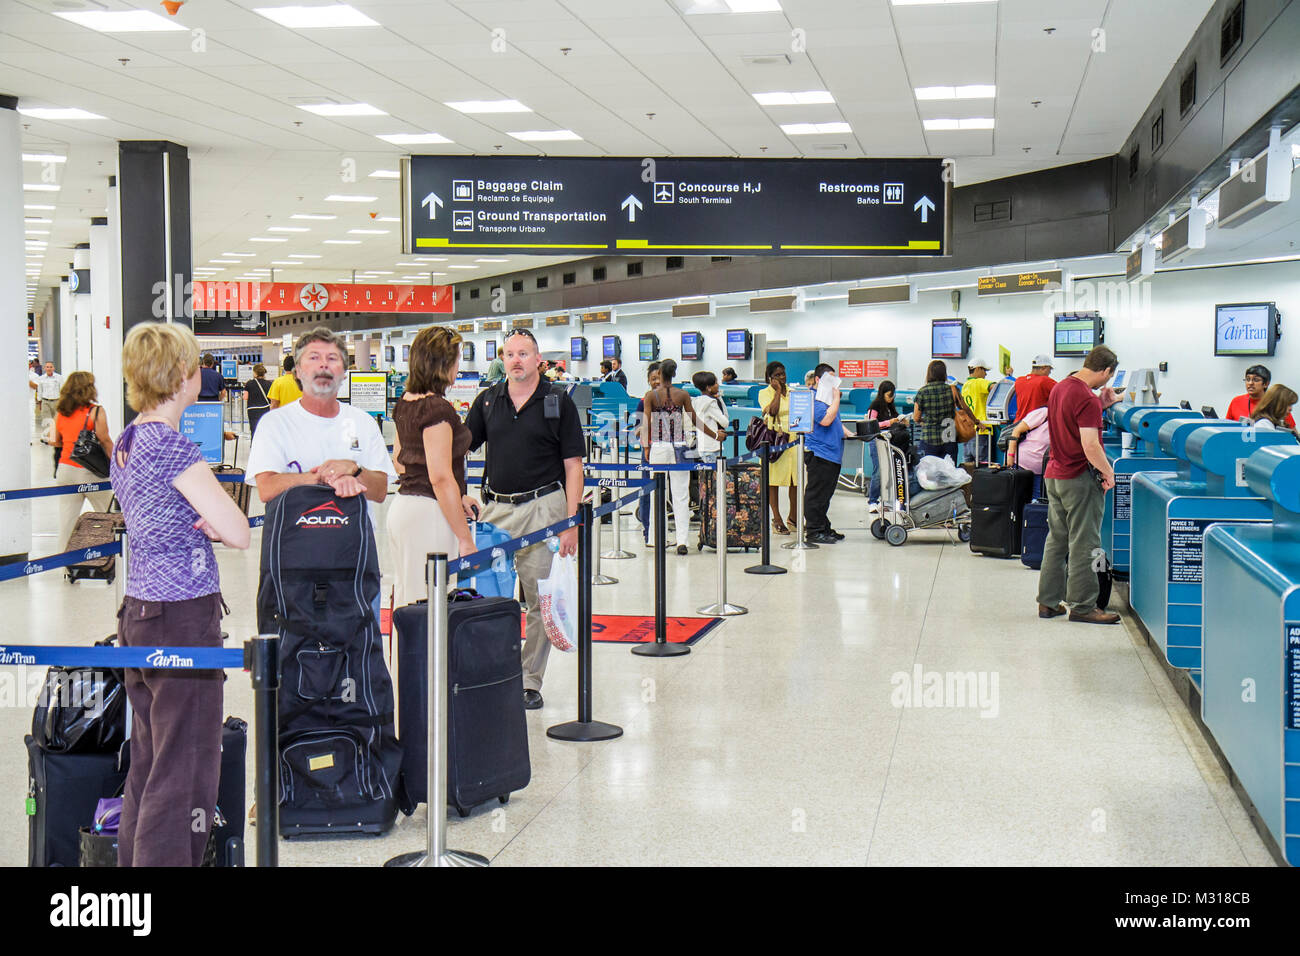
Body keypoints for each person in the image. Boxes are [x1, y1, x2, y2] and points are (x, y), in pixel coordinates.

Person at [111, 321, 251, 866]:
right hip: (181, 618)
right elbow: (237, 530)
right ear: (184, 376)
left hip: (140, 610)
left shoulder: (127, 439)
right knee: (186, 768)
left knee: (149, 763)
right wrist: (218, 522)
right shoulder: (171, 445)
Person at [466, 328, 584, 710]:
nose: (516, 360)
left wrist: (570, 520)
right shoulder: (487, 401)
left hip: (543, 508)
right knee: (487, 598)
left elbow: (573, 465)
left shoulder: (558, 400)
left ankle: (529, 679)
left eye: (523, 353)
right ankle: (491, 672)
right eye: (509, 354)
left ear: (538, 359)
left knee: (538, 600)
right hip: (496, 510)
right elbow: (460, 448)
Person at [246, 327, 396, 534]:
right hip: (291, 549)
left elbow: (380, 491)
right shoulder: (274, 423)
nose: (323, 364)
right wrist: (324, 477)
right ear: (297, 370)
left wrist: (354, 470)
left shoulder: (362, 422)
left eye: (332, 358)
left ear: (344, 373)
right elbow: (267, 488)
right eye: (314, 358)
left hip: (354, 549)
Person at [388, 326, 478, 607]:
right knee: (430, 605)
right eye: (456, 358)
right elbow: (440, 477)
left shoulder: (405, 403)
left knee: (408, 598)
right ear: (442, 364)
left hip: (403, 509)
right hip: (429, 515)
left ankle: (403, 654)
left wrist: (458, 497)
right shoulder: (437, 409)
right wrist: (465, 539)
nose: (458, 365)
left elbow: (400, 462)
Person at [1036, 345, 1123, 625]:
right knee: (1085, 542)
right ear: (1107, 371)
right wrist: (1109, 473)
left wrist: (1102, 404)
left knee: (1057, 539)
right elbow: (1090, 445)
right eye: (1109, 377)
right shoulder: (1087, 398)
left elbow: (1071, 422)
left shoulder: (1061, 387)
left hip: (1054, 474)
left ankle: (1048, 603)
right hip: (1078, 478)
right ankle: (1083, 607)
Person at [640, 358, 723, 555]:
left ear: (659, 374)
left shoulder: (651, 396)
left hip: (658, 447)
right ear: (674, 374)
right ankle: (681, 541)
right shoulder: (683, 395)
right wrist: (715, 435)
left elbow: (647, 424)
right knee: (681, 495)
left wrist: (645, 447)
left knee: (656, 494)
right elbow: (696, 420)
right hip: (680, 447)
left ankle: (655, 538)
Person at [50, 371, 114, 546]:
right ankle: (116, 561)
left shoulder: (61, 413)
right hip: (90, 470)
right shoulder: (96, 411)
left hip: (65, 470)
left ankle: (63, 567)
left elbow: (55, 441)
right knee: (110, 516)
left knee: (67, 523)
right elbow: (105, 439)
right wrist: (118, 463)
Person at [803, 364, 855, 544]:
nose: (834, 384)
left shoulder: (826, 399)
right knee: (816, 494)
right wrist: (836, 398)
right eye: (829, 379)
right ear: (818, 380)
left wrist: (850, 434)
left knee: (825, 495)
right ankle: (813, 530)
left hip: (832, 453)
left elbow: (835, 421)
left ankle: (823, 526)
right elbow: (825, 420)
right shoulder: (814, 399)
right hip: (820, 454)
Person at [758, 361, 799, 534]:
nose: (782, 377)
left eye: (783, 374)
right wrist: (778, 392)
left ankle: (794, 518)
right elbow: (772, 411)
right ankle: (777, 518)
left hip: (794, 440)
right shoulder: (764, 393)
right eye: (778, 375)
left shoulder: (793, 392)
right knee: (772, 481)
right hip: (774, 440)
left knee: (795, 480)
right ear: (770, 378)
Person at [865, 380, 910, 510]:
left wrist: (901, 421)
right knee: (878, 471)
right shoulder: (875, 406)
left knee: (889, 470)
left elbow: (895, 420)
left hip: (889, 440)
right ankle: (872, 501)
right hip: (877, 440)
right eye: (889, 395)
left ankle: (885, 500)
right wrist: (888, 422)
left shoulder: (891, 408)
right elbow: (871, 424)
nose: (891, 398)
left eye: (892, 395)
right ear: (882, 393)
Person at [635, 362, 662, 544]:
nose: (656, 382)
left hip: (671, 453)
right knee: (647, 492)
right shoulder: (643, 402)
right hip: (649, 452)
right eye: (653, 379)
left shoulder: (675, 399)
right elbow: (637, 429)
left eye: (659, 378)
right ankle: (648, 531)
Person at [912, 360, 959, 465]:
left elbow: (916, 418)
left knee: (929, 475)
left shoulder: (923, 391)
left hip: (929, 439)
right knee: (949, 473)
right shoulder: (952, 390)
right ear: (944, 373)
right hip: (949, 437)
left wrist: (925, 421)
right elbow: (962, 407)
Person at [1227, 365, 1296, 428]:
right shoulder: (1236, 401)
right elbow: (1226, 427)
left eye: (1256, 380)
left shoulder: (1275, 404)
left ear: (1266, 384)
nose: (1250, 383)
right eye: (1248, 379)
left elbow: (1293, 431)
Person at [961, 358, 994, 464]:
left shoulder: (965, 385)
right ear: (978, 369)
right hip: (981, 430)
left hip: (967, 433)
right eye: (985, 371)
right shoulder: (980, 382)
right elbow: (995, 387)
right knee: (982, 468)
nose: (985, 374)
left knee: (968, 468)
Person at [691, 371, 729, 461]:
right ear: (708, 387)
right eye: (715, 383)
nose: (718, 385)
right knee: (715, 474)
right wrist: (719, 398)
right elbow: (725, 422)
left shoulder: (697, 401)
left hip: (703, 446)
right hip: (712, 447)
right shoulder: (711, 403)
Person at [1013, 355, 1056, 422]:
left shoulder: (1019, 381)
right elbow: (1063, 391)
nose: (1049, 373)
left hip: (1018, 424)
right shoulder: (1044, 381)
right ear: (1043, 368)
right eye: (1049, 369)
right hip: (1035, 425)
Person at [30, 361, 63, 432]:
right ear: (44, 368)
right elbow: (39, 391)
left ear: (53, 368)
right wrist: (39, 402)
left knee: (56, 420)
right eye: (47, 367)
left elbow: (62, 390)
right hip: (45, 401)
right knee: (47, 420)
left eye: (51, 367)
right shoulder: (41, 378)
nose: (49, 369)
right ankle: (49, 437)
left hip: (56, 401)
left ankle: (56, 437)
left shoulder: (59, 377)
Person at [244, 364, 272, 437]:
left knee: (254, 430)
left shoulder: (249, 383)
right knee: (265, 429)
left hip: (252, 410)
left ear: (255, 373)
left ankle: (254, 445)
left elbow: (245, 397)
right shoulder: (269, 384)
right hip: (265, 409)